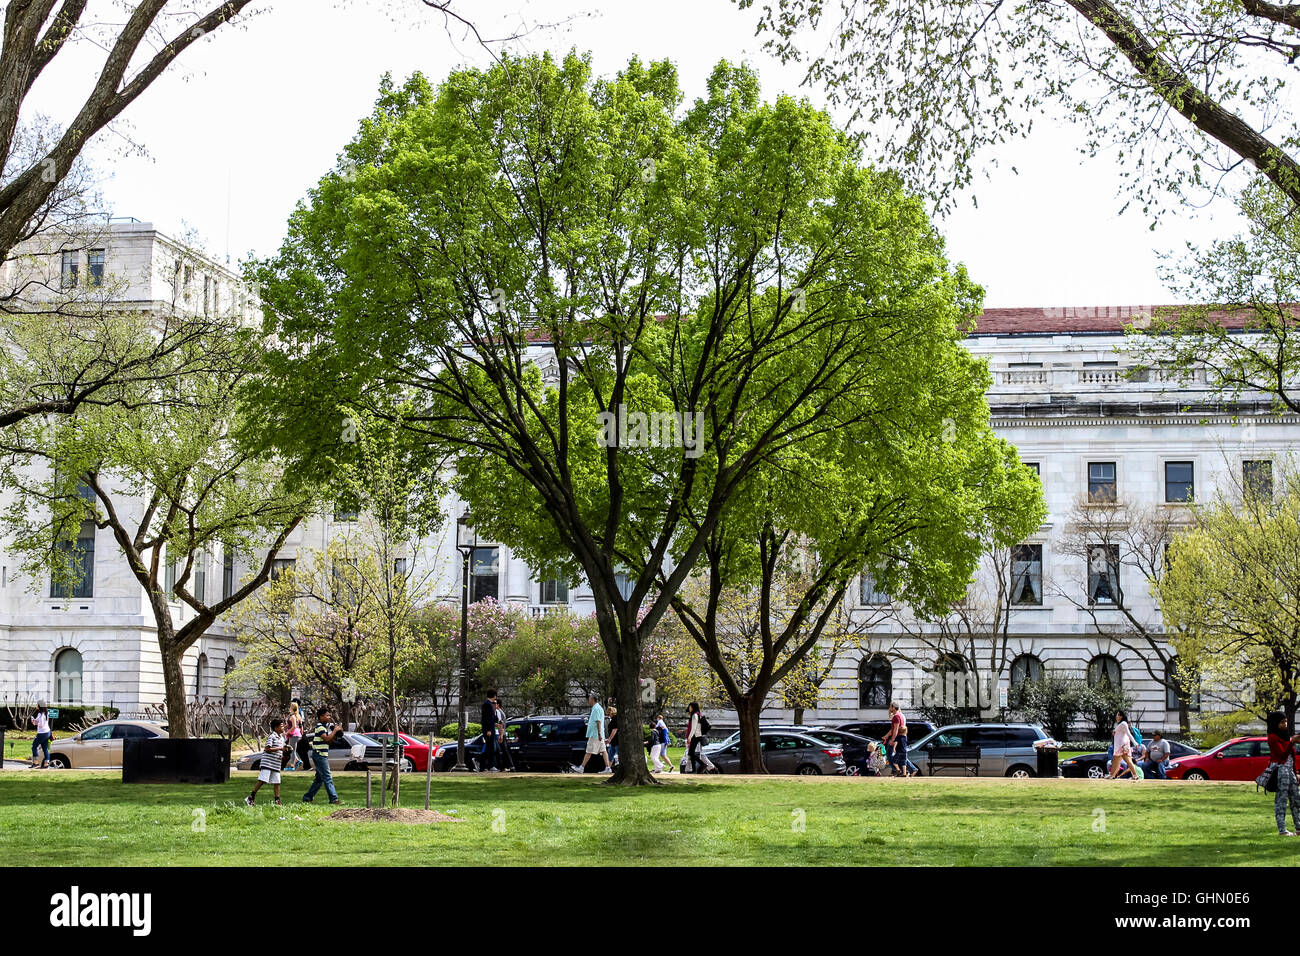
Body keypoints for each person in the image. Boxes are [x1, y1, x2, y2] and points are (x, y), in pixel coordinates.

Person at [302, 706, 344, 804]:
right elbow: (326, 739)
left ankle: (307, 797)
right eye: (327, 715)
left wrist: (336, 734)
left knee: (319, 779)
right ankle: (334, 799)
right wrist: (334, 731)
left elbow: (329, 742)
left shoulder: (324, 727)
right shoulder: (320, 726)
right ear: (321, 717)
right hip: (319, 754)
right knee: (327, 777)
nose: (329, 717)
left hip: (321, 754)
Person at [1267, 713, 1300, 836]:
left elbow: (1292, 757)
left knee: (1296, 799)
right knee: (1281, 800)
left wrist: (1296, 772)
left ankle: (1298, 827)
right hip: (1281, 770)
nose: (1285, 724)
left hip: (1290, 771)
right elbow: (1282, 755)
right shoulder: (1272, 737)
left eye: (1286, 721)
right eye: (1282, 722)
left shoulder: (1286, 737)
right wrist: (1292, 742)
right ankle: (1282, 829)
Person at [246, 717, 290, 806]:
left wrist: (287, 750)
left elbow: (281, 749)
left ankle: (277, 801)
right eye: (281, 726)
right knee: (262, 780)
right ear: (276, 728)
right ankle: (251, 797)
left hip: (276, 764)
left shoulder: (282, 738)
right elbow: (267, 749)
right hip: (268, 763)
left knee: (277, 782)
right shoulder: (272, 736)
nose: (283, 727)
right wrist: (281, 748)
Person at [577, 693, 612, 773]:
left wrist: (599, 733)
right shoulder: (599, 708)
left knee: (588, 751)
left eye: (589, 699)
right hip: (599, 734)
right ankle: (608, 768)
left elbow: (598, 722)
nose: (588, 701)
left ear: (593, 699)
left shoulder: (596, 709)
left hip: (595, 734)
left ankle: (581, 767)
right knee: (603, 751)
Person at [882, 702, 917, 777]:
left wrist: (892, 740)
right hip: (903, 738)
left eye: (890, 707)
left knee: (889, 754)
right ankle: (911, 769)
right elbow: (893, 729)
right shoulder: (902, 715)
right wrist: (886, 736)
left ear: (893, 707)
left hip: (898, 739)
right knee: (901, 755)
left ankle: (897, 770)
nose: (889, 709)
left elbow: (895, 730)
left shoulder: (896, 717)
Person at [686, 702, 716, 774]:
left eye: (690, 707)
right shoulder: (698, 714)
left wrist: (689, 737)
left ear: (693, 707)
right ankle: (694, 769)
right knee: (691, 753)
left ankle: (701, 765)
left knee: (691, 753)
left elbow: (694, 728)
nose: (689, 708)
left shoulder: (695, 715)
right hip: (697, 735)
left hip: (695, 736)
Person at [1109, 710, 1137, 781]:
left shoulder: (1123, 723)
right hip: (1120, 746)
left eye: (1118, 715)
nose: (1116, 716)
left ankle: (1135, 775)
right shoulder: (1121, 724)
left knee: (1127, 760)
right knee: (1116, 761)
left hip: (1122, 746)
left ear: (1121, 716)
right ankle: (1112, 775)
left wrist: (1135, 743)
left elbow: (1128, 734)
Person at [479, 690, 499, 773]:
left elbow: (493, 718)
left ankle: (489, 766)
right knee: (489, 749)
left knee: (491, 749)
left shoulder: (490, 705)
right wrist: (489, 730)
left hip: (491, 729)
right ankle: (485, 766)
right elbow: (487, 718)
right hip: (489, 730)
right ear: (494, 696)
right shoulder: (487, 705)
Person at [284, 701, 305, 771]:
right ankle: (297, 760)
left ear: (292, 708)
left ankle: (292, 766)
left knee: (292, 750)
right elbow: (300, 725)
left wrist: (287, 732)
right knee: (292, 750)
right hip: (297, 734)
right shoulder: (297, 716)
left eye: (290, 706)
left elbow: (294, 726)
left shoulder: (293, 716)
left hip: (293, 735)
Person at [29, 701, 51, 769]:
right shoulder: (46, 713)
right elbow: (40, 723)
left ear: (40, 706)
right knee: (45, 749)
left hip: (42, 733)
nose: (36, 705)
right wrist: (35, 721)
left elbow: (40, 724)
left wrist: (34, 722)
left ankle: (36, 763)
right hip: (47, 732)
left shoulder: (41, 714)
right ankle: (46, 764)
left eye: (37, 705)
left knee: (34, 747)